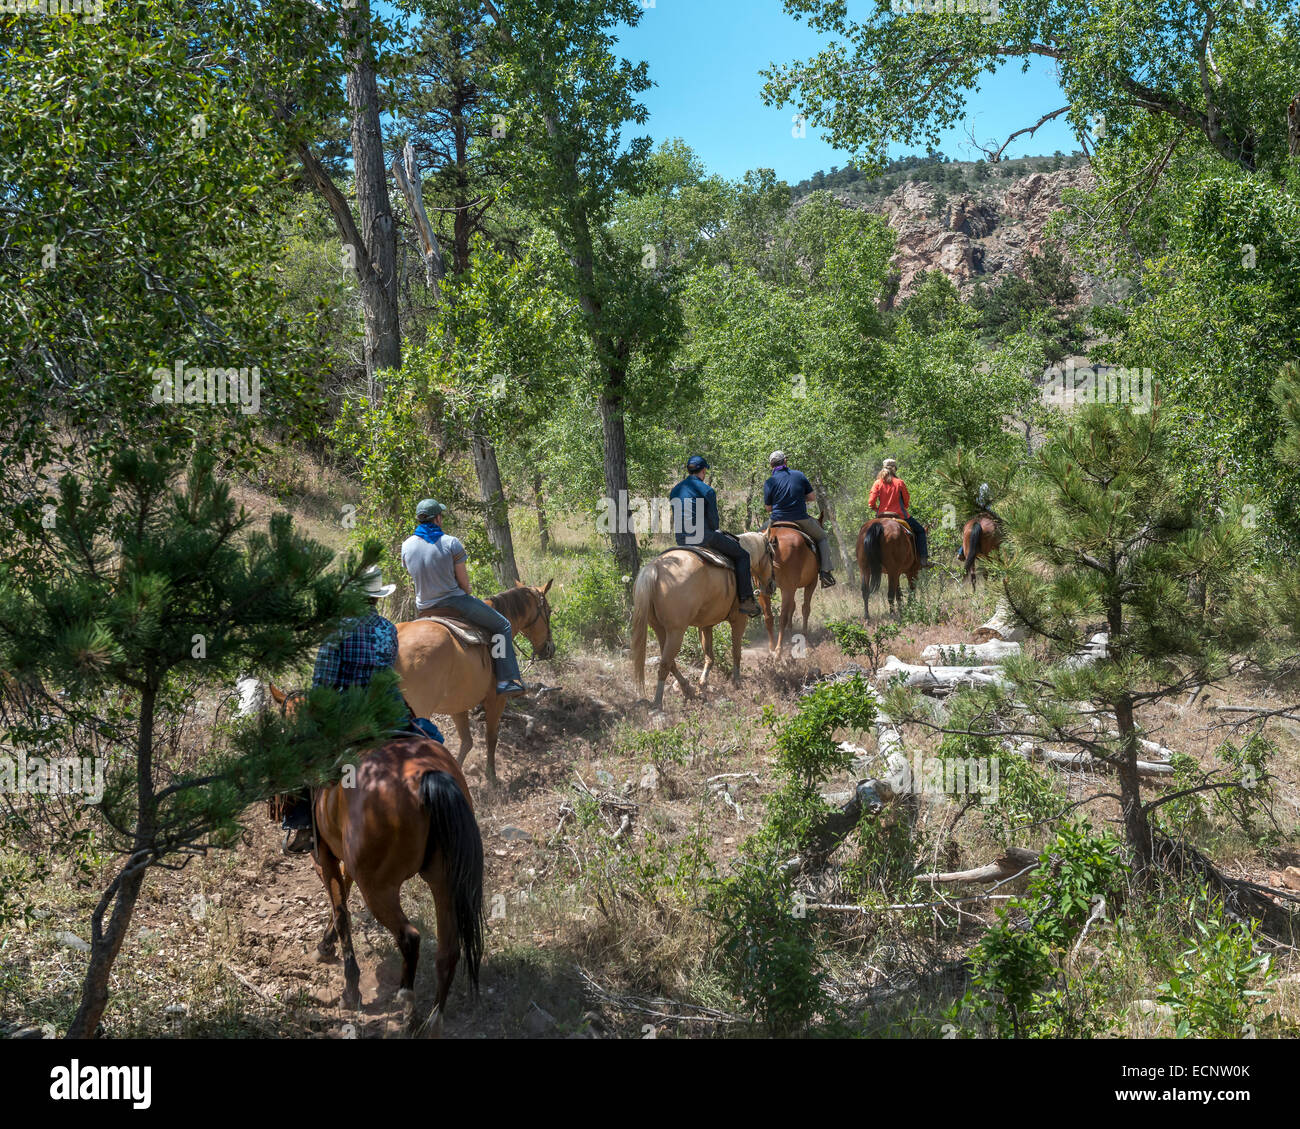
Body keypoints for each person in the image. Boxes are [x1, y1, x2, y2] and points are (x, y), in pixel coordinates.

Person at [281, 565, 434, 852]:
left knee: (299, 751)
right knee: (431, 740)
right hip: (389, 712)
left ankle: (302, 825)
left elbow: (322, 687)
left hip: (348, 716)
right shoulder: (388, 629)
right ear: (376, 598)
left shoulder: (337, 631)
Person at [400, 498, 527, 696]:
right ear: (438, 519)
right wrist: (464, 592)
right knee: (502, 626)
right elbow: (464, 585)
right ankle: (506, 680)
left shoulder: (406, 546)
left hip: (424, 607)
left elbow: (413, 573)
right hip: (455, 602)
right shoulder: (451, 543)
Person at [668, 455, 761, 617]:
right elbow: (714, 522)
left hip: (681, 540)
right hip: (703, 538)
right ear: (703, 471)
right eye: (705, 471)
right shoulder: (707, 490)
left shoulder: (675, 490)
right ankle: (746, 600)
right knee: (743, 555)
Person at [762, 451, 836, 588]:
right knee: (822, 537)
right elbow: (812, 497)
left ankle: (754, 576)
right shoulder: (799, 475)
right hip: (800, 518)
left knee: (757, 540)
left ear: (771, 465)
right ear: (785, 461)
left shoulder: (769, 481)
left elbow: (768, 508)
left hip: (776, 519)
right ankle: (825, 572)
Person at [867, 457, 932, 567]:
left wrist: (877, 509)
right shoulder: (900, 483)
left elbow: (871, 502)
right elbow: (906, 502)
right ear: (894, 469)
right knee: (920, 531)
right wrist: (902, 506)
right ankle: (923, 559)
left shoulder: (877, 483)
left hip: (881, 516)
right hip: (900, 516)